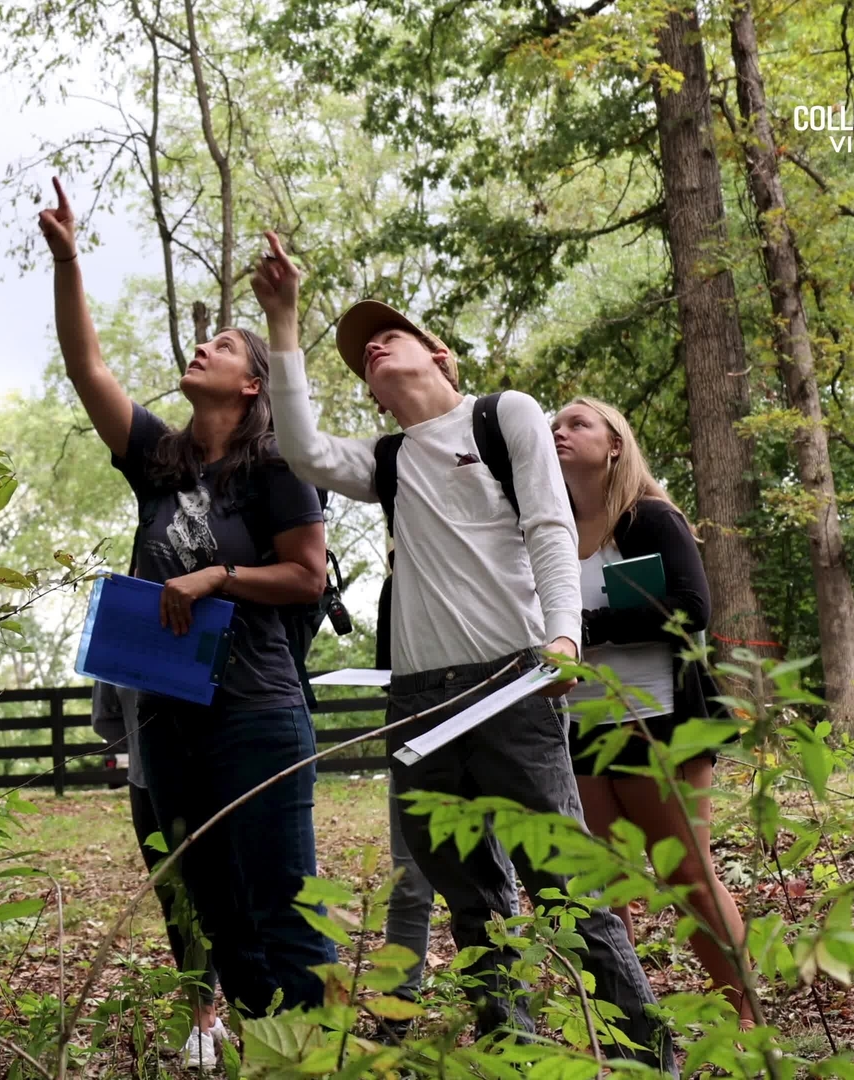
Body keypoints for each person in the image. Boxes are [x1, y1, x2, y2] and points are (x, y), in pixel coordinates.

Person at [252, 234, 676, 1073]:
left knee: (564, 883)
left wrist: (564, 633)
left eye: (390, 334)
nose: (373, 346)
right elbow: (303, 452)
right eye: (362, 353)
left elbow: (550, 524)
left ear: (438, 355)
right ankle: (509, 1054)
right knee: (469, 897)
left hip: (512, 682)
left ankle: (648, 1057)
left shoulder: (502, 414)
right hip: (417, 699)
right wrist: (284, 319)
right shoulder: (388, 460)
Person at [41, 179, 337, 1022]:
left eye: (224, 347)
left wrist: (217, 578)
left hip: (256, 713)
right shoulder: (160, 461)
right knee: (215, 915)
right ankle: (256, 1043)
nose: (204, 348)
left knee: (283, 909)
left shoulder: (278, 467)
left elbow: (307, 578)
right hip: (168, 721)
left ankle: (314, 1054)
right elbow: (84, 367)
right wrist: (69, 261)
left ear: (252, 385)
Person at [552, 396, 754, 1026]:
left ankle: (744, 1020)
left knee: (688, 877)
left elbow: (693, 609)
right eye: (554, 425)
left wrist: (589, 625)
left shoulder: (649, 518)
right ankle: (630, 1029)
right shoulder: (549, 532)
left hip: (659, 721)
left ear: (614, 444)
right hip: (581, 725)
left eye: (577, 423)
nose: (560, 431)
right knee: (605, 888)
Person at [90, 681, 227, 1066]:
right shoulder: (119, 629)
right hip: (147, 784)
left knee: (217, 895)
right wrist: (146, 747)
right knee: (176, 905)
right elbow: (105, 717)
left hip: (216, 773)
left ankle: (224, 1016)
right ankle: (203, 1017)